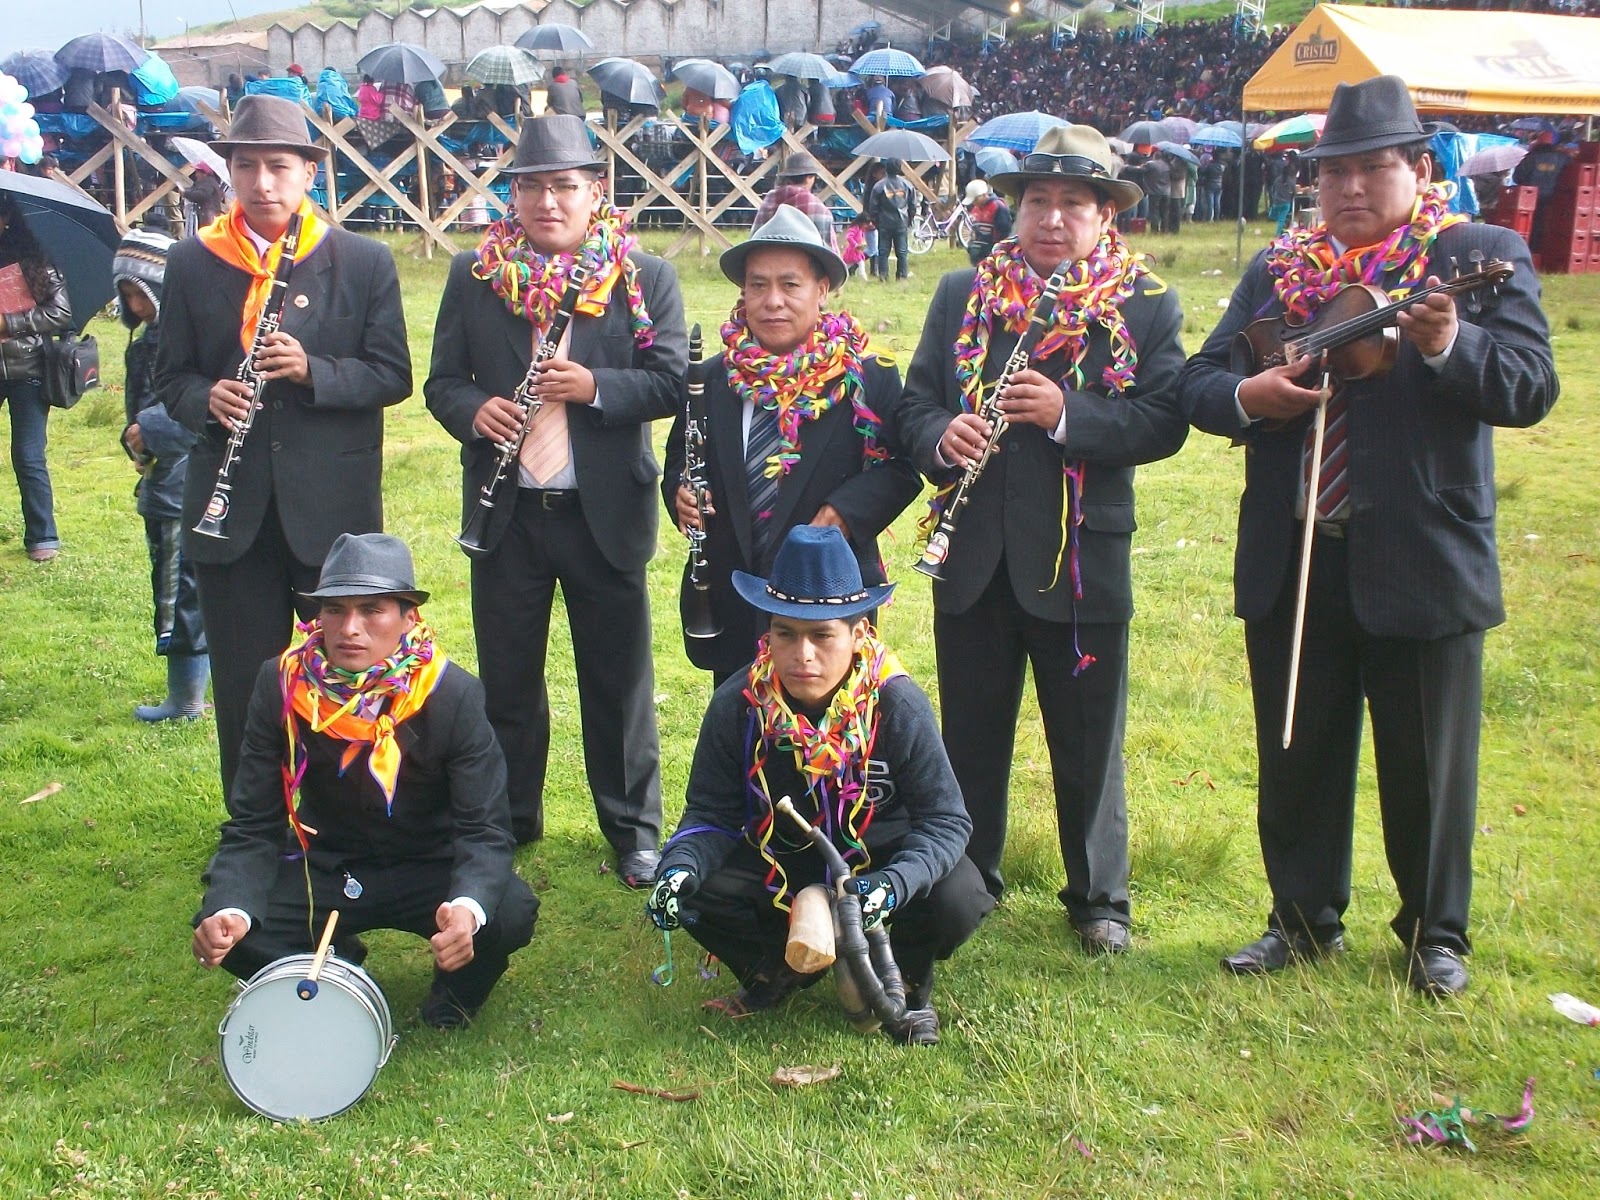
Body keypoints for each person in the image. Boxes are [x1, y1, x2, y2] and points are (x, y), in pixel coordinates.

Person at [1178, 75, 1558, 997]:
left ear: (1417, 168)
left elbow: (1529, 387)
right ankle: (1301, 919)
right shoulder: (1279, 269)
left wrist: (1444, 345)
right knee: (1297, 744)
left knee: (1426, 757)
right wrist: (1246, 398)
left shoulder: (1476, 253)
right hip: (1298, 546)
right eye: (1333, 172)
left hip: (1424, 551)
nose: (1348, 188)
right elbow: (1196, 381)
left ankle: (1436, 932)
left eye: (1371, 168)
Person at [894, 124, 1188, 954]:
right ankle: (967, 876)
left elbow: (1165, 420)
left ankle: (1099, 898)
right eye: (1036, 202)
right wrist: (936, 438)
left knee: (1089, 739)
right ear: (1013, 210)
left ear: (1105, 216)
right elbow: (914, 402)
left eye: (1073, 204)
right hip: (974, 559)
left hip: (1082, 560)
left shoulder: (1145, 302)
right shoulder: (962, 295)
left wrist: (1070, 417)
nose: (1051, 219)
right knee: (971, 734)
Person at [425, 114, 687, 885]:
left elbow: (673, 380)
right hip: (507, 516)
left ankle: (635, 831)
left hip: (603, 517)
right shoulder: (475, 277)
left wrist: (594, 387)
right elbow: (441, 381)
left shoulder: (642, 275)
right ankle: (507, 820)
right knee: (507, 683)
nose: (547, 202)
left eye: (564, 185)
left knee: (620, 684)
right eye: (532, 186)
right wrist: (474, 411)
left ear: (594, 191)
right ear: (513, 194)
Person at [156, 94, 412, 801]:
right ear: (229, 172)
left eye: (279, 166)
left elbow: (393, 376)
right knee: (245, 681)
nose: (263, 183)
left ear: (308, 173)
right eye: (247, 167)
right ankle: (256, 825)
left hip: (330, 511)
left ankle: (343, 814)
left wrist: (313, 372)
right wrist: (205, 398)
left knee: (345, 671)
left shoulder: (361, 261)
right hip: (229, 511)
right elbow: (167, 375)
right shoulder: (192, 261)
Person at [646, 525, 993, 1042]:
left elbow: (946, 821)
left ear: (858, 635)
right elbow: (710, 817)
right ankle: (775, 970)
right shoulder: (737, 704)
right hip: (778, 863)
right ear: (767, 633)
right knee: (693, 890)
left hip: (880, 861)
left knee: (959, 893)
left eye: (822, 635)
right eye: (786, 633)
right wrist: (677, 868)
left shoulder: (898, 705)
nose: (802, 654)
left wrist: (892, 886)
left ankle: (908, 981)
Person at [191, 533, 537, 1029]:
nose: (350, 629)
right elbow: (253, 822)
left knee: (506, 912)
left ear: (408, 616)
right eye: (335, 610)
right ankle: (337, 968)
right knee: (229, 926)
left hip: (429, 862)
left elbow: (485, 829)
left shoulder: (452, 694)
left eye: (372, 610)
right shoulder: (280, 685)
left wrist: (467, 907)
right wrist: (232, 908)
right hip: (329, 863)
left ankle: (454, 993)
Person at [663, 205, 921, 682]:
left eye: (790, 284)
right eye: (758, 285)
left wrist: (845, 512)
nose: (772, 300)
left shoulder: (867, 376)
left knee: (830, 744)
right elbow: (681, 459)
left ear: (823, 289)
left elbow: (902, 470)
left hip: (830, 608)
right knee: (741, 738)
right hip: (731, 601)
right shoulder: (708, 379)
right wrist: (679, 494)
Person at [114, 229, 210, 722]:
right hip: (162, 475)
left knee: (182, 587)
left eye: (140, 292)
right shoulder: (144, 341)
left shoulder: (187, 341)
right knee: (172, 580)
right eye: (126, 294)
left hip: (185, 480)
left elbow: (192, 409)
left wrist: (147, 432)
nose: (134, 303)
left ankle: (187, 698)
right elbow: (139, 412)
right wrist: (136, 445)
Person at [0, 191, 71, 562]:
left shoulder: (34, 258)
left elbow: (60, 313)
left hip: (28, 367)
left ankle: (42, 536)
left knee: (28, 455)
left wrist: (9, 323)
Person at [751, 151, 838, 251]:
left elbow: (755, 238)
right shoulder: (817, 207)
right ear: (809, 178)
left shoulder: (770, 200)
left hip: (768, 259)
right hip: (805, 263)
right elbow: (830, 250)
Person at [867, 159, 912, 281]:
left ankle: (883, 275)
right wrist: (909, 220)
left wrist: (876, 221)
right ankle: (902, 275)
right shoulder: (907, 185)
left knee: (883, 251)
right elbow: (912, 205)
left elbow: (873, 207)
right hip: (901, 221)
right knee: (902, 251)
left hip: (884, 222)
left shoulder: (879, 186)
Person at [964, 177, 1011, 265]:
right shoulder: (975, 209)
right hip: (977, 253)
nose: (974, 203)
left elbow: (1005, 231)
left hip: (992, 253)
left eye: (975, 199)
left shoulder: (998, 206)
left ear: (983, 195)